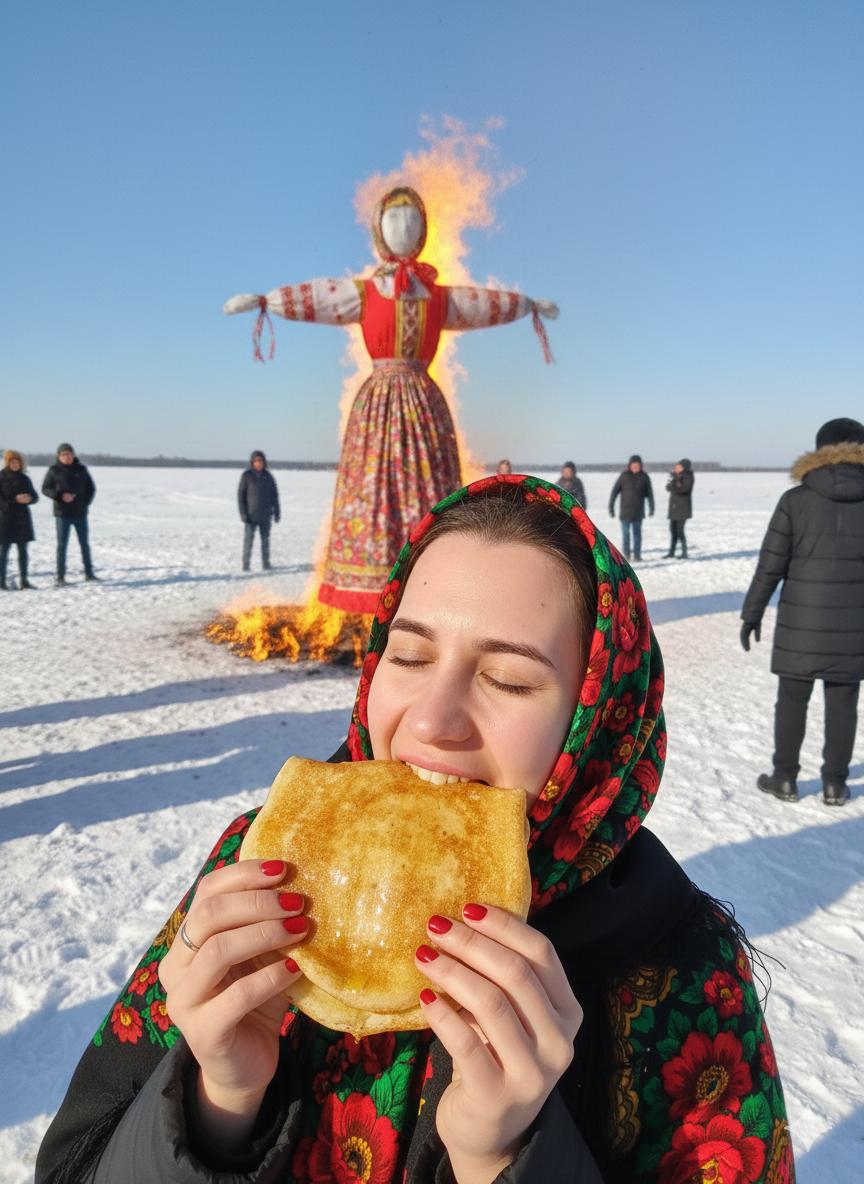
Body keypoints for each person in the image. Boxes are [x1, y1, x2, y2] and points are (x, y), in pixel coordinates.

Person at [38, 476, 795, 1184]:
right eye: (409, 654)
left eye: (509, 679)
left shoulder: (675, 961)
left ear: (597, 720)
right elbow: (74, 1162)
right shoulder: (260, 867)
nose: (431, 722)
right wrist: (217, 1101)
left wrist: (505, 1155)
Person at [224, 186, 558, 612]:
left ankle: (431, 574)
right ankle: (373, 584)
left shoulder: (438, 295)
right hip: (378, 404)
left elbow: (483, 305)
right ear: (378, 232)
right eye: (393, 221)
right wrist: (267, 301)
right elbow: (318, 297)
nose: (402, 229)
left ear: (422, 233)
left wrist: (527, 305)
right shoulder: (363, 293)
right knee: (373, 483)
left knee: (429, 486)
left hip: (423, 403)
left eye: (411, 222)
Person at [742, 417, 864, 807]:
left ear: (818, 450)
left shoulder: (795, 500)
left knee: (792, 701)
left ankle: (785, 779)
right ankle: (834, 785)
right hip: (854, 627)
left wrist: (752, 612)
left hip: (802, 626)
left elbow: (770, 565)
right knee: (843, 704)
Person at [41, 443, 97, 585]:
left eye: (69, 454)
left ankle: (89, 574)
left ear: (73, 455)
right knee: (62, 546)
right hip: (62, 514)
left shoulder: (81, 469)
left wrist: (84, 503)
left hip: (80, 513)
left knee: (84, 544)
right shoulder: (54, 470)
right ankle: (60, 577)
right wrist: (60, 496)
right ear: (59, 456)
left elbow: (91, 488)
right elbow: (46, 489)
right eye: (64, 455)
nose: (67, 457)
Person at [0, 450, 38, 590]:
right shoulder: (1, 477)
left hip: (22, 519)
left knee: (23, 550)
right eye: (13, 462)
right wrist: (14, 500)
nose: (15, 464)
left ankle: (24, 580)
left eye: (18, 462)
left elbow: (35, 496)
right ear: (8, 463)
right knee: (4, 551)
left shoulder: (24, 478)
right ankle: (1, 581)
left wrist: (30, 499)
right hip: (6, 518)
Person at [238, 450, 281, 572]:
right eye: (256, 461)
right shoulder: (247, 476)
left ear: (264, 462)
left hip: (265, 515)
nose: (258, 463)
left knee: (265, 541)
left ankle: (266, 564)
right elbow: (241, 496)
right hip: (250, 516)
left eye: (260, 461)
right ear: (252, 462)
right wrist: (243, 513)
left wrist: (277, 512)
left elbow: (274, 496)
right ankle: (246, 566)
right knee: (248, 542)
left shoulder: (269, 476)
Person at [608, 455, 654, 561]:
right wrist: (611, 507)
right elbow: (614, 492)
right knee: (626, 535)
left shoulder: (644, 477)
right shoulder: (624, 476)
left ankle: (637, 555)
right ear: (630, 465)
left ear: (641, 466)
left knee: (637, 535)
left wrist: (652, 507)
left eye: (637, 465)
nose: (635, 467)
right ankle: (627, 555)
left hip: (638, 512)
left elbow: (650, 494)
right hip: (625, 512)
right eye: (633, 465)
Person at [664, 460, 694, 559]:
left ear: (684, 467)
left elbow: (683, 490)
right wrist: (673, 480)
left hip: (683, 509)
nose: (676, 468)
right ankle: (671, 552)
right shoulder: (675, 476)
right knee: (672, 530)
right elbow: (668, 487)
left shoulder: (688, 476)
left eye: (678, 466)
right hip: (674, 508)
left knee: (680, 531)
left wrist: (674, 485)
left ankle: (684, 552)